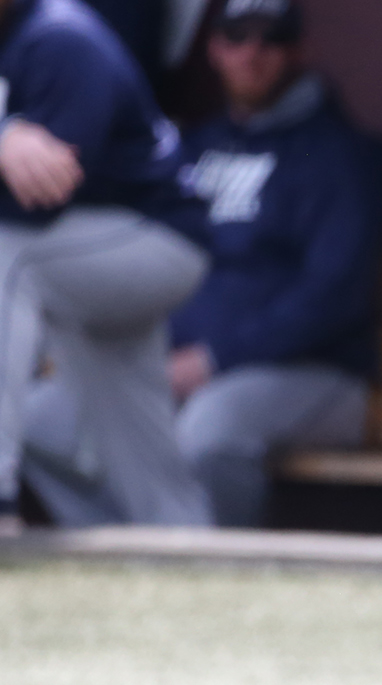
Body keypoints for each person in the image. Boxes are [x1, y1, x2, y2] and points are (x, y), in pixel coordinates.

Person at [27, 0, 382, 527]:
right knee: (40, 421)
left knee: (209, 430)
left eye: (272, 39)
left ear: (300, 51)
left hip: (307, 375)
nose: (252, 54)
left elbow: (333, 296)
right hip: (168, 367)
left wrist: (214, 359)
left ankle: (216, 570)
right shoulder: (193, 148)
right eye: (237, 36)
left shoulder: (336, 157)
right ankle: (127, 553)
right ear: (215, 49)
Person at [0, 0, 210, 534]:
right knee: (142, 448)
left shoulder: (57, 36)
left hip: (151, 239)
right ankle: (190, 548)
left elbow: (39, 201)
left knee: (10, 258)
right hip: (93, 251)